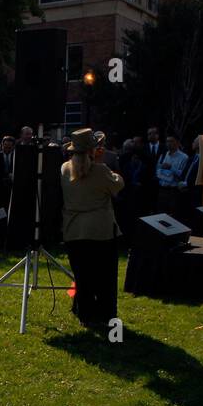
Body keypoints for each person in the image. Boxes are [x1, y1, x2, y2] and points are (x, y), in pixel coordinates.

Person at [60, 129, 124, 329]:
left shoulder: (64, 169)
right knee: (105, 276)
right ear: (92, 150)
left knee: (83, 276)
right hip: (101, 230)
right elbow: (118, 185)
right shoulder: (101, 170)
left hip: (74, 230)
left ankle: (85, 314)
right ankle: (105, 315)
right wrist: (104, 164)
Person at [155, 134, 189, 219]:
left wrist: (171, 168)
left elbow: (183, 175)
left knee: (173, 216)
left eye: (171, 141)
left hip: (173, 191)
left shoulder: (184, 157)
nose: (168, 143)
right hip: (162, 189)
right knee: (161, 215)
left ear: (177, 143)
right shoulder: (163, 155)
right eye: (167, 141)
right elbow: (157, 169)